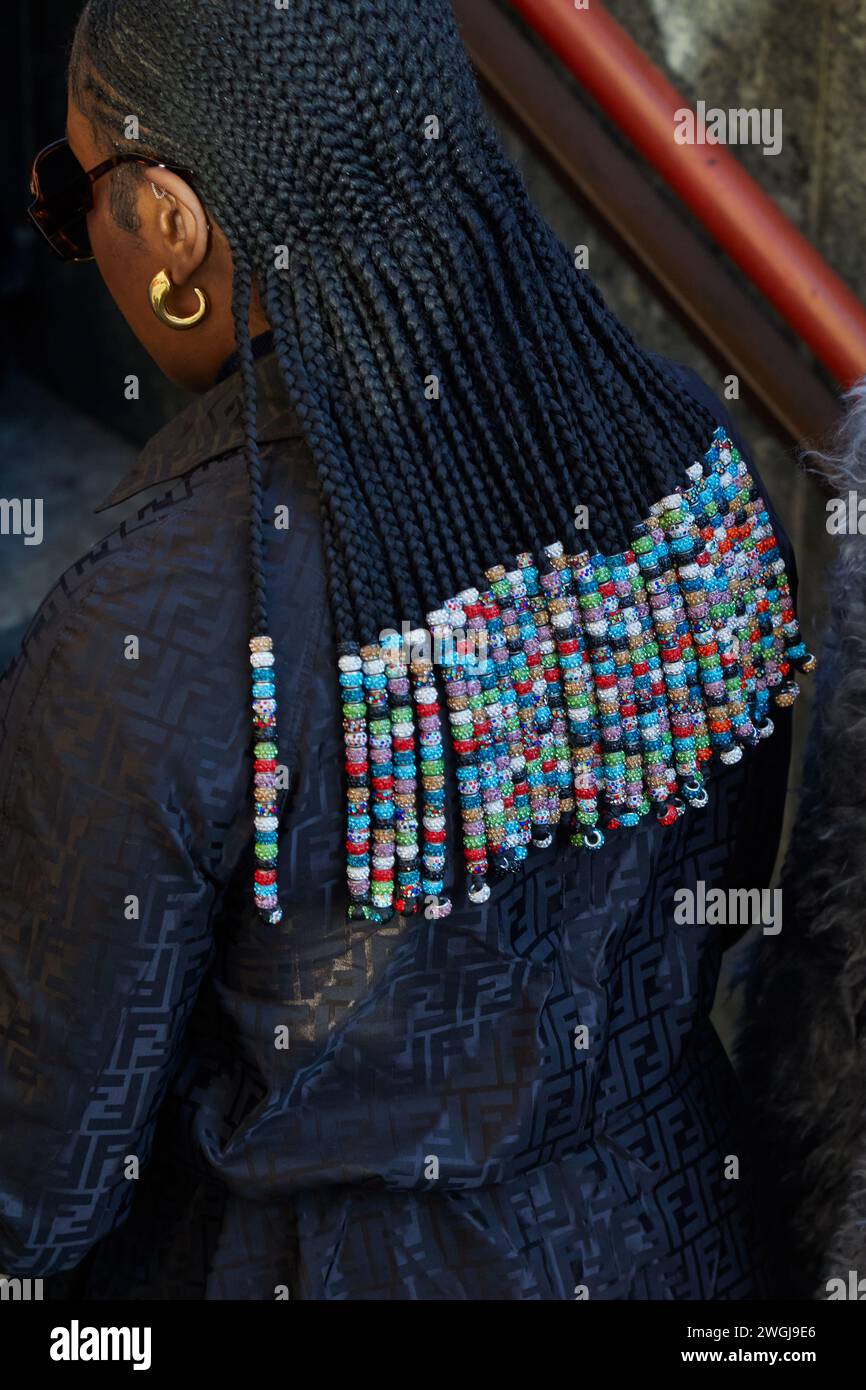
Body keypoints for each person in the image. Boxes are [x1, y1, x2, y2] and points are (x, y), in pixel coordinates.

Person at [0, 0, 812, 1299]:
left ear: (169, 225)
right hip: (682, 1244)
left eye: (70, 190)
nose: (69, 228)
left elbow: (35, 1187)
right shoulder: (687, 459)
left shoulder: (151, 623)